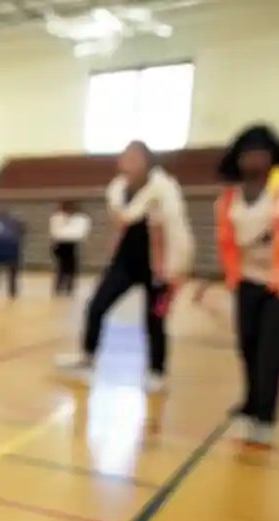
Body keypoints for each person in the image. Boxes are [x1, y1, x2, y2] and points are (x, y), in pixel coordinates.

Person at [57, 141, 194, 393]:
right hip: (126, 261)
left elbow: (163, 227)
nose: (126, 161)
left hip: (157, 261)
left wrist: (167, 268)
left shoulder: (163, 187)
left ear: (147, 161)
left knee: (154, 318)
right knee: (97, 305)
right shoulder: (119, 188)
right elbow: (120, 222)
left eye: (133, 156)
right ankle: (87, 358)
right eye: (124, 156)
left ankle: (157, 371)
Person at [214, 124, 279, 445]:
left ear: (273, 156)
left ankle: (266, 414)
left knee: (271, 349)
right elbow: (229, 241)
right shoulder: (229, 198)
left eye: (261, 153)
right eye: (247, 154)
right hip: (247, 280)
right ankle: (251, 401)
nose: (254, 160)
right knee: (248, 345)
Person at [49, 200, 91, 295]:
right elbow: (56, 233)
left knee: (72, 267)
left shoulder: (80, 219)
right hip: (60, 244)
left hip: (72, 244)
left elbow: (80, 234)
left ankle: (69, 287)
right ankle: (59, 286)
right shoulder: (57, 218)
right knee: (61, 266)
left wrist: (68, 232)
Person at [0, 209, 24, 299]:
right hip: (9, 250)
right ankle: (12, 291)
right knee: (11, 271)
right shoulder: (14, 223)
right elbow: (21, 233)